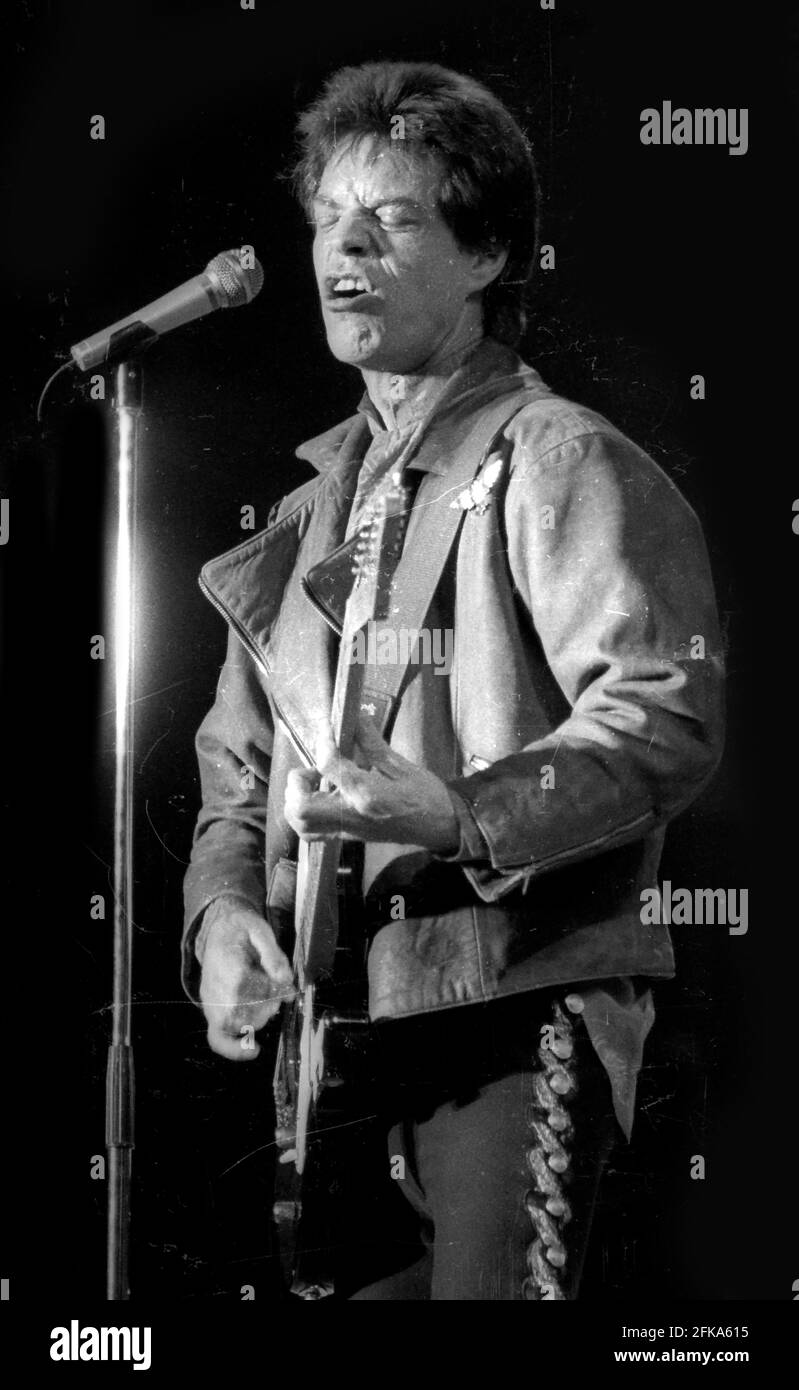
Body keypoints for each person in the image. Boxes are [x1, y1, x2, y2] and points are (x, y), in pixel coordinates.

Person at [181, 60, 724, 1301]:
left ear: (487, 257)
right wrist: (222, 923)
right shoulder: (310, 518)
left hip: (510, 1013)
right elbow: (234, 780)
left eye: (397, 217)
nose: (345, 246)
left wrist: (458, 813)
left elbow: (665, 712)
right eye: (328, 217)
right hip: (333, 1041)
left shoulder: (562, 457)